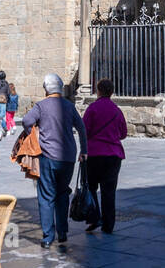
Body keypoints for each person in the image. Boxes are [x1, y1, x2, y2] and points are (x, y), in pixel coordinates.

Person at [22, 73, 87, 248]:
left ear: (46, 89)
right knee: (62, 193)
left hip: (48, 156)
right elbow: (81, 128)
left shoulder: (41, 106)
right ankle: (63, 231)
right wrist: (84, 151)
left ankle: (48, 236)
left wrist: (32, 134)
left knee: (46, 195)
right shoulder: (69, 106)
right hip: (68, 158)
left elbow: (27, 121)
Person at [82, 79, 128, 235]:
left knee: (92, 188)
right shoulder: (117, 110)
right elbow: (123, 134)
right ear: (112, 92)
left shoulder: (92, 108)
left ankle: (94, 218)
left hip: (94, 154)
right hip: (113, 156)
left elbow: (84, 131)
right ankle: (108, 225)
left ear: (98, 91)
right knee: (109, 191)